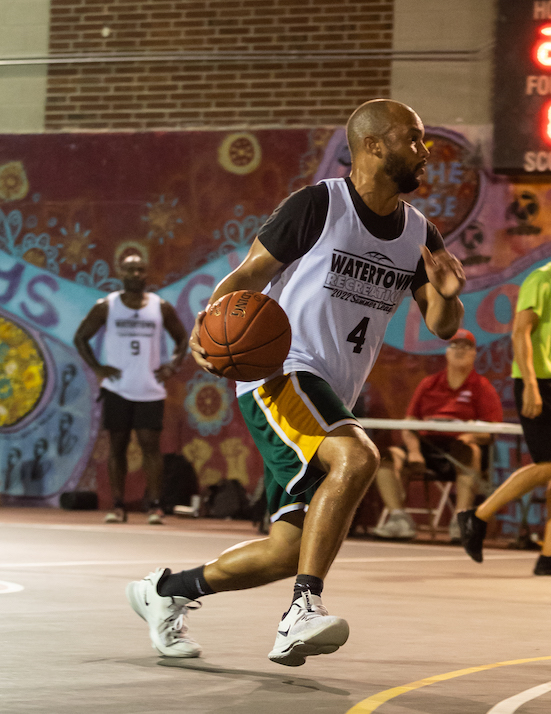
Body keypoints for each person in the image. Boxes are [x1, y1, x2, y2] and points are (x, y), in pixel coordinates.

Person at [125, 99, 466, 665]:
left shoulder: (419, 233)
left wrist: (450, 299)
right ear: (374, 145)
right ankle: (302, 610)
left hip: (332, 392)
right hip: (280, 372)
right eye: (414, 139)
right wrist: (208, 330)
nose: (425, 151)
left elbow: (442, 325)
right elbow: (250, 274)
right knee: (358, 458)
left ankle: (164, 592)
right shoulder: (319, 205)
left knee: (288, 548)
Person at [457, 217, 551, 576]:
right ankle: (478, 516)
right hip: (538, 382)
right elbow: (520, 334)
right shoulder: (540, 279)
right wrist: (531, 384)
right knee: (549, 464)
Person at [74, 254, 188, 525]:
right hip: (117, 387)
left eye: (140, 270)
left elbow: (182, 338)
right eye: (130, 270)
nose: (136, 274)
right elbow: (81, 337)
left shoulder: (160, 307)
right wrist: (98, 368)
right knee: (118, 446)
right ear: (121, 273)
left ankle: (155, 505)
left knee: (151, 447)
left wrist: (172, 366)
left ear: (146, 274)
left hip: (149, 387)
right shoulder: (107, 306)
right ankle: (117, 505)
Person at [372, 328, 503, 541]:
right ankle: (399, 519)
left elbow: (491, 430)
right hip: (425, 447)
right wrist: (414, 451)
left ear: (474, 354)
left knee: (470, 452)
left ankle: (460, 519)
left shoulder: (482, 387)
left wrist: (473, 436)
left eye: (466, 347)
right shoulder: (429, 384)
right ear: (446, 352)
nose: (459, 351)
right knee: (385, 458)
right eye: (455, 346)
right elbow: (410, 423)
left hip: (459, 448)